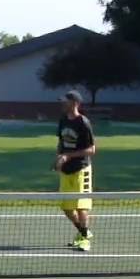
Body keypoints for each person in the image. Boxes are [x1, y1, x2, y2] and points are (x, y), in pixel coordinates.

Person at [54, 90, 96, 252]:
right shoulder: (63, 120)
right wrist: (58, 158)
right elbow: (61, 142)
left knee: (81, 206)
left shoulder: (83, 123)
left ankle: (84, 239)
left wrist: (67, 156)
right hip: (66, 170)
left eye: (65, 101)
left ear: (74, 103)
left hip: (81, 169)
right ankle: (83, 232)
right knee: (66, 207)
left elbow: (91, 149)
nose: (62, 103)